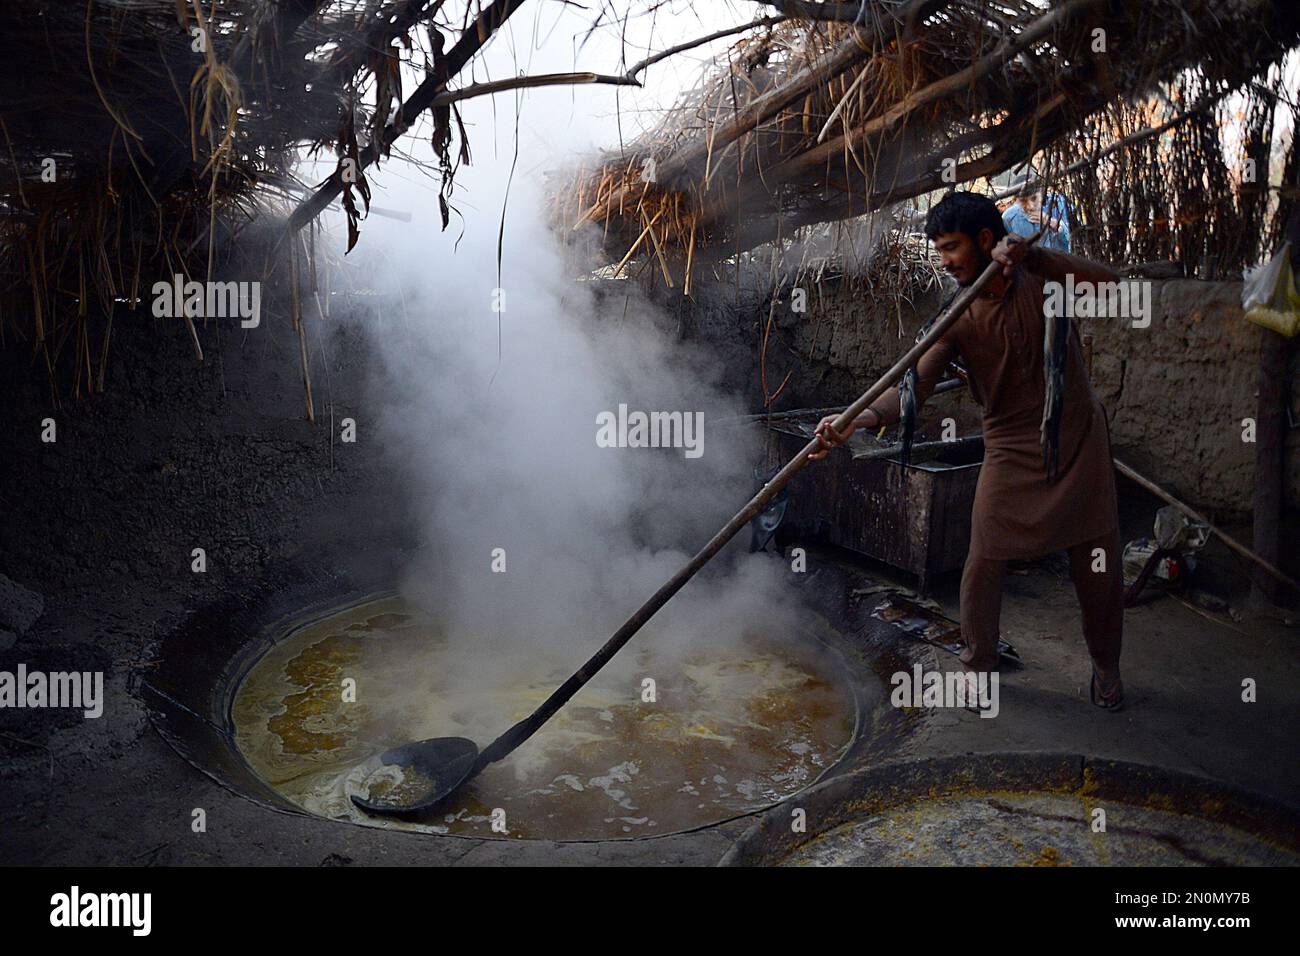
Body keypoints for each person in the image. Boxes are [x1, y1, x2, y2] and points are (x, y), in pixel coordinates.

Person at [809, 191, 1124, 710]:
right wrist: (855, 421)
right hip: (1010, 446)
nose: (945, 260)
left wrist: (1038, 255)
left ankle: (1107, 670)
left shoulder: (1046, 281)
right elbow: (914, 385)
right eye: (938, 249)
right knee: (984, 560)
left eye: (952, 247)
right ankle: (979, 664)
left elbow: (1112, 288)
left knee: (1097, 563)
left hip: (1076, 439)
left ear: (984, 240)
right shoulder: (957, 315)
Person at [1003, 179, 1071, 252]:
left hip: (1062, 260)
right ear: (1016, 201)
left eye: (1034, 198)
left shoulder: (1059, 203)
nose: (1031, 206)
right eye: (1023, 201)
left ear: (1041, 193)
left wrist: (1055, 224)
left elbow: (1074, 239)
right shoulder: (1009, 217)